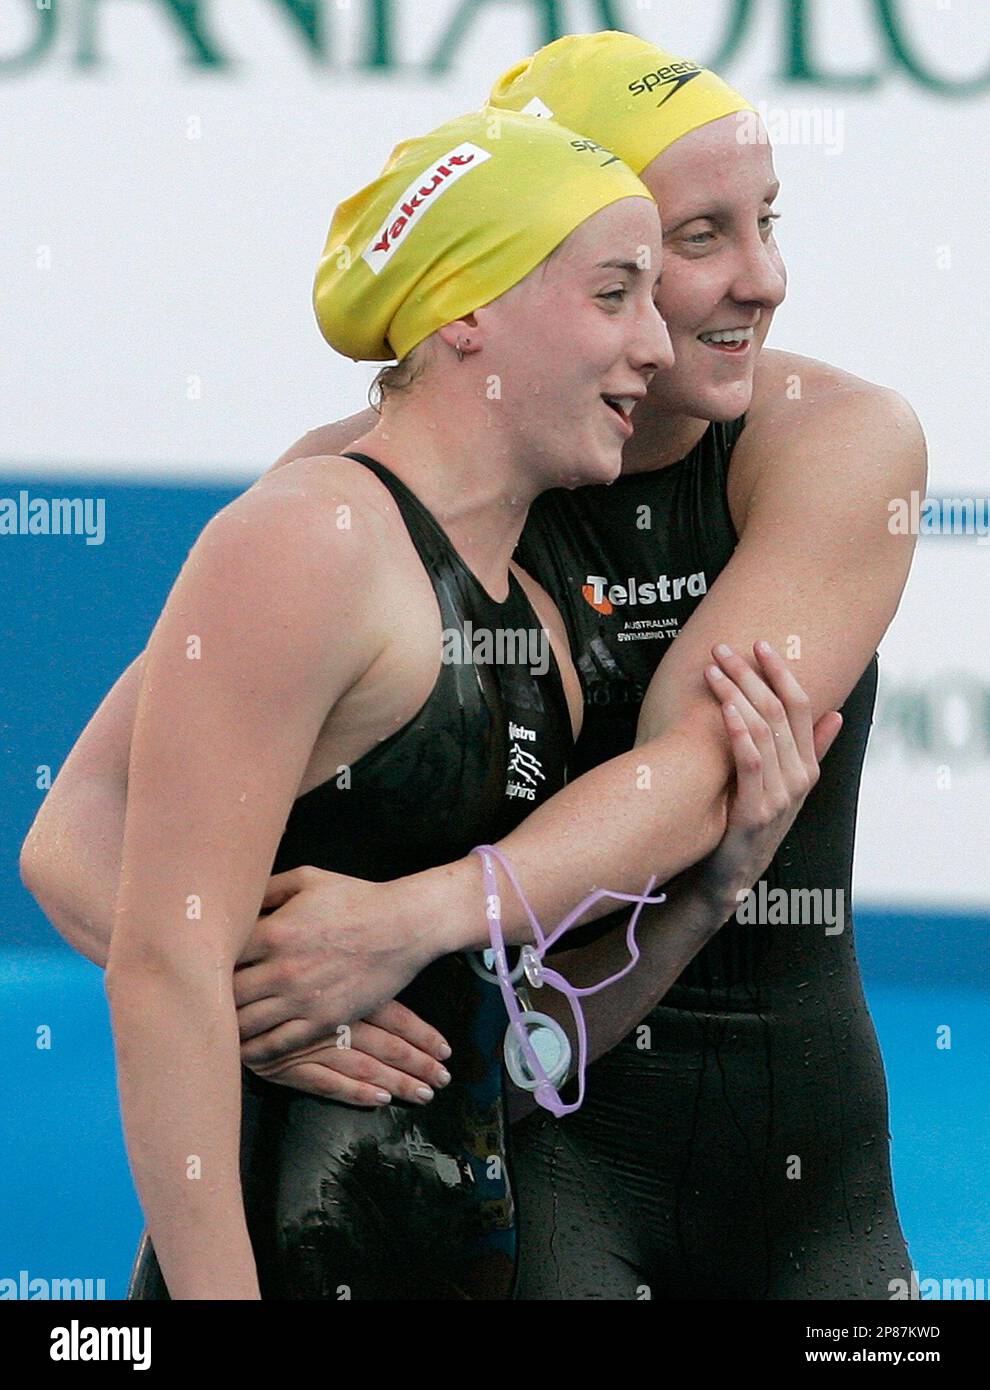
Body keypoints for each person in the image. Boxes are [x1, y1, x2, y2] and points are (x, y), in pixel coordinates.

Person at [22, 30, 925, 1299]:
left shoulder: (836, 438)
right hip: (539, 1152)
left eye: (767, 219)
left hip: (759, 1124)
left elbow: (698, 779)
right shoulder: (363, 497)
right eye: (692, 242)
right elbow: (84, 840)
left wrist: (401, 929)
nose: (763, 279)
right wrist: (291, 1007)